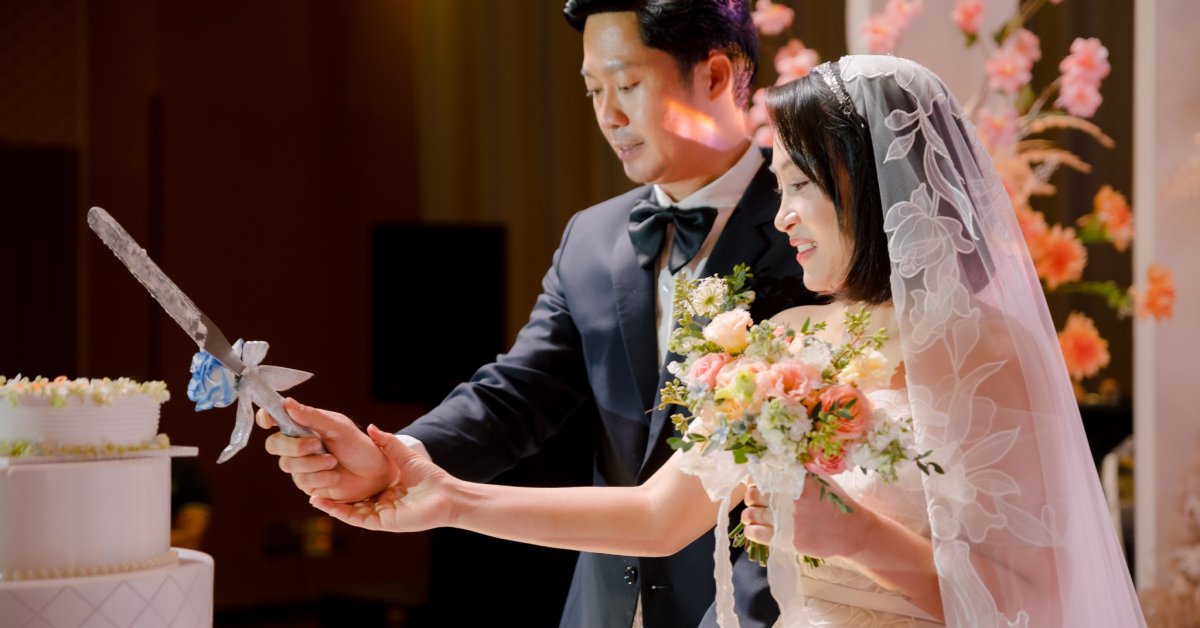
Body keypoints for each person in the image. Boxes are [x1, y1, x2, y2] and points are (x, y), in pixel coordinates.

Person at [297, 55, 1148, 627]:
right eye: (779, 187)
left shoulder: (984, 353)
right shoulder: (787, 341)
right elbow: (656, 514)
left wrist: (858, 538)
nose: (783, 218)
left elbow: (1034, 602)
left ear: (869, 187)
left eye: (802, 188)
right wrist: (451, 499)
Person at [259, 1, 819, 627]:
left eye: (628, 85)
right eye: (593, 91)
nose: (608, 116)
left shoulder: (815, 230)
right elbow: (520, 392)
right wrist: (393, 455)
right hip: (604, 605)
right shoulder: (592, 236)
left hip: (757, 601)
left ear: (715, 76)